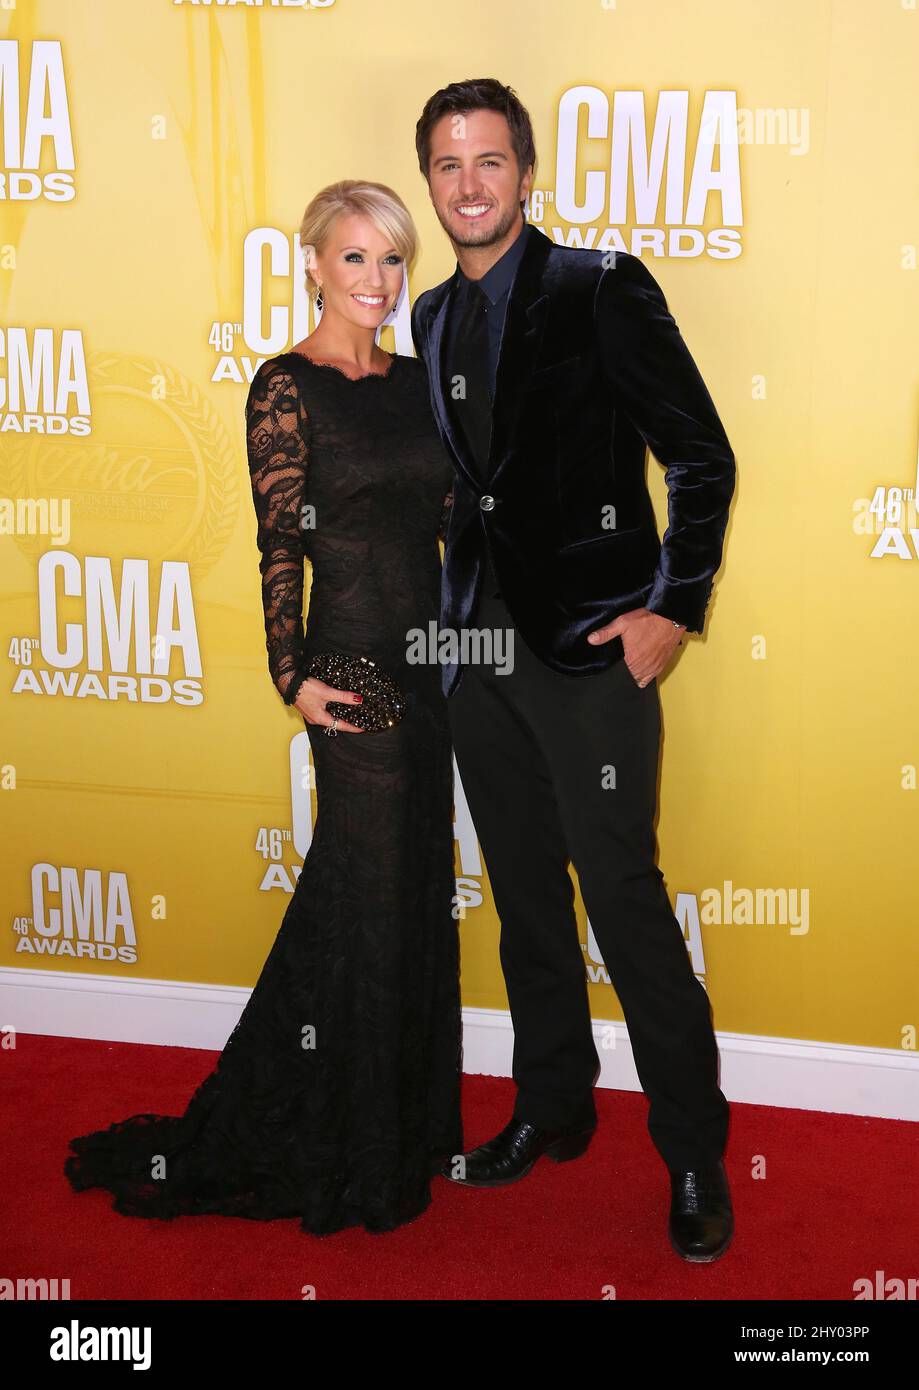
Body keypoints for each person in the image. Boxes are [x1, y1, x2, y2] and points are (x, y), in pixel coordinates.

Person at [64, 180, 463, 1236]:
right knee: (368, 904)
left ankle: (397, 1131)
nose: (375, 282)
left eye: (390, 261)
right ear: (314, 265)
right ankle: (352, 1156)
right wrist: (291, 674)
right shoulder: (286, 386)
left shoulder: (424, 385)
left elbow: (459, 525)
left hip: (427, 672)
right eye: (354, 259)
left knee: (401, 894)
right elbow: (277, 539)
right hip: (355, 671)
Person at [410, 79, 736, 1261]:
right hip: (478, 652)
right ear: (430, 184)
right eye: (447, 167)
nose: (468, 185)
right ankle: (551, 1105)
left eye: (488, 162)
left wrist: (672, 611)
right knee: (522, 895)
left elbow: (701, 455)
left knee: (623, 897)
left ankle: (695, 1147)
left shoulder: (599, 288)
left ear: (526, 173)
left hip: (594, 651)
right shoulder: (434, 317)